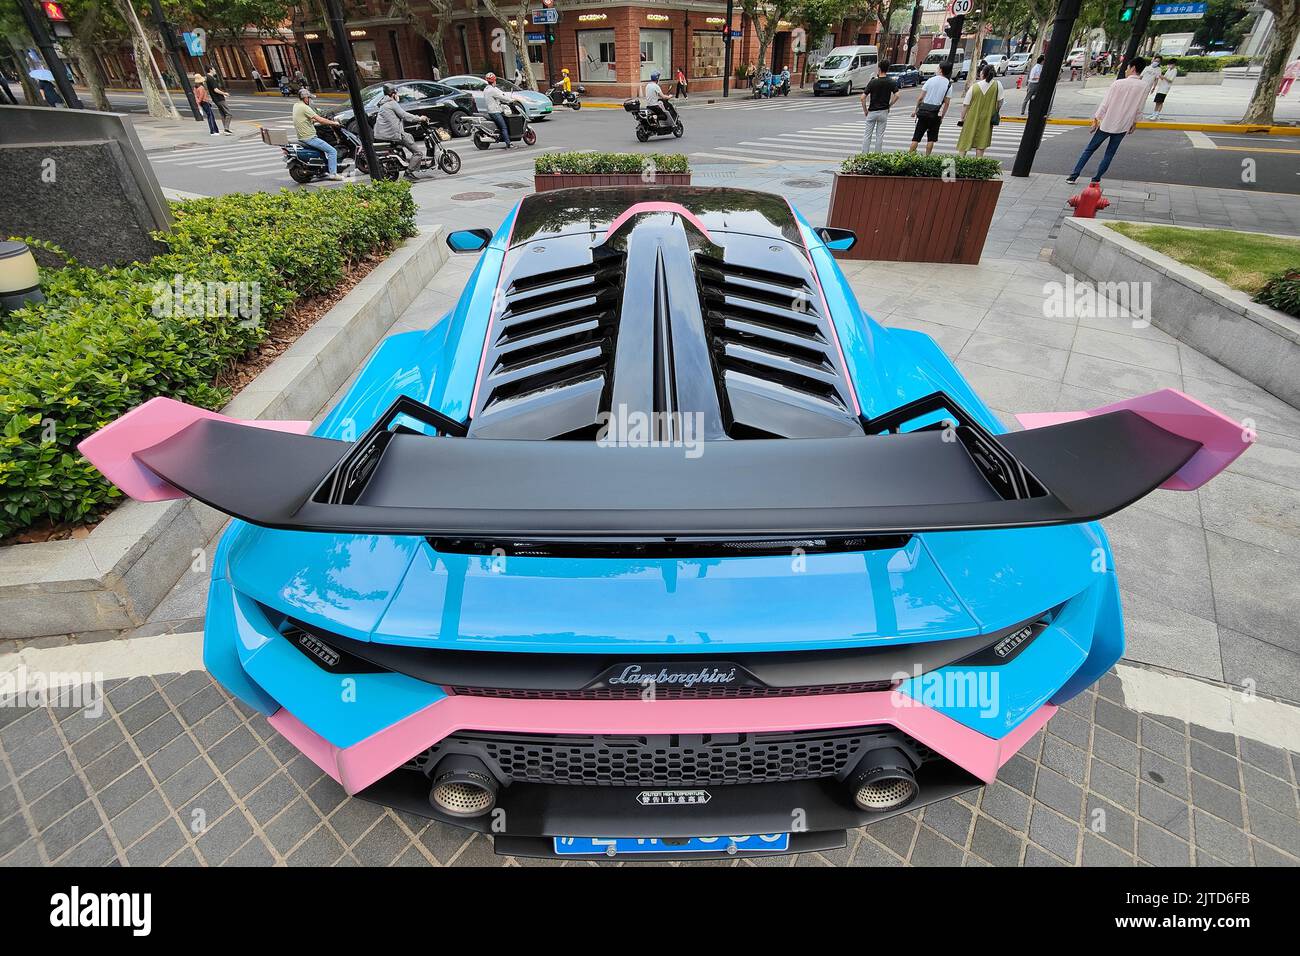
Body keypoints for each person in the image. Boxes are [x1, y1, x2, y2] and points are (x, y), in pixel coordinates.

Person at [1066, 57, 1148, 185]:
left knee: (1089, 150)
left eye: (1127, 67)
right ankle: (1096, 179)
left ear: (1133, 68)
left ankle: (1073, 175)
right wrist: (1135, 123)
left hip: (1107, 123)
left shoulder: (1118, 83)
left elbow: (1105, 103)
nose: (1126, 70)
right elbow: (1140, 107)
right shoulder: (1144, 86)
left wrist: (1096, 119)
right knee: (1109, 153)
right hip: (1123, 125)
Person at [292, 87, 345, 180]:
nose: (310, 100)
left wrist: (312, 121)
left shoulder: (296, 105)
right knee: (332, 151)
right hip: (309, 137)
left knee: (322, 152)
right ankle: (333, 173)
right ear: (305, 98)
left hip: (302, 137)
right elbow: (320, 120)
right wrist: (334, 123)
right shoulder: (305, 107)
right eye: (309, 98)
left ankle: (322, 171)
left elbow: (305, 119)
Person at [374, 83, 429, 170]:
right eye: (396, 93)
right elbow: (404, 115)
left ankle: (410, 163)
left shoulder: (383, 104)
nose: (397, 95)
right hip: (393, 134)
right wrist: (420, 118)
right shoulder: (392, 103)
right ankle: (409, 172)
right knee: (418, 153)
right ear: (392, 94)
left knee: (409, 136)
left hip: (383, 134)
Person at [957, 63, 1004, 157]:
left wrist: (962, 118)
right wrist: (995, 111)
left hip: (971, 117)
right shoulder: (998, 85)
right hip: (987, 118)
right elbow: (1000, 102)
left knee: (965, 141)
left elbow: (966, 105)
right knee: (981, 144)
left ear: (983, 73)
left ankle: (960, 163)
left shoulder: (974, 87)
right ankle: (979, 165)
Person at [909, 60, 952, 156]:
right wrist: (942, 117)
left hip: (923, 112)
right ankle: (927, 158)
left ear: (941, 70)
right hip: (936, 114)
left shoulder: (930, 80)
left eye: (938, 68)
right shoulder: (948, 85)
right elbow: (947, 103)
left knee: (916, 137)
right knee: (931, 138)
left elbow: (920, 98)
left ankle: (909, 157)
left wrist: (915, 111)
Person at [861, 60, 899, 153]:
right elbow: (897, 95)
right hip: (883, 112)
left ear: (879, 69)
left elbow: (862, 98)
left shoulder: (873, 82)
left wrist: (865, 110)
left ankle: (864, 156)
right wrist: (889, 105)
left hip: (872, 111)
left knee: (867, 136)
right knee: (879, 136)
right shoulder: (891, 82)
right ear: (887, 69)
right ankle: (877, 156)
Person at [482, 72, 517, 148]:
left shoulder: (487, 89)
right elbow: (502, 97)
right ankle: (508, 144)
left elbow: (500, 93)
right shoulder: (492, 90)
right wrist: (511, 100)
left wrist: (506, 95)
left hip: (491, 111)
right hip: (495, 112)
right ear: (494, 80)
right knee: (504, 127)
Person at [205, 68, 234, 135]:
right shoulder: (211, 78)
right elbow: (215, 89)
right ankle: (226, 129)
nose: (215, 71)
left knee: (223, 114)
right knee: (228, 114)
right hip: (219, 99)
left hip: (216, 99)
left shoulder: (208, 78)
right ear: (210, 70)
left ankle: (226, 129)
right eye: (214, 70)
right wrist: (224, 93)